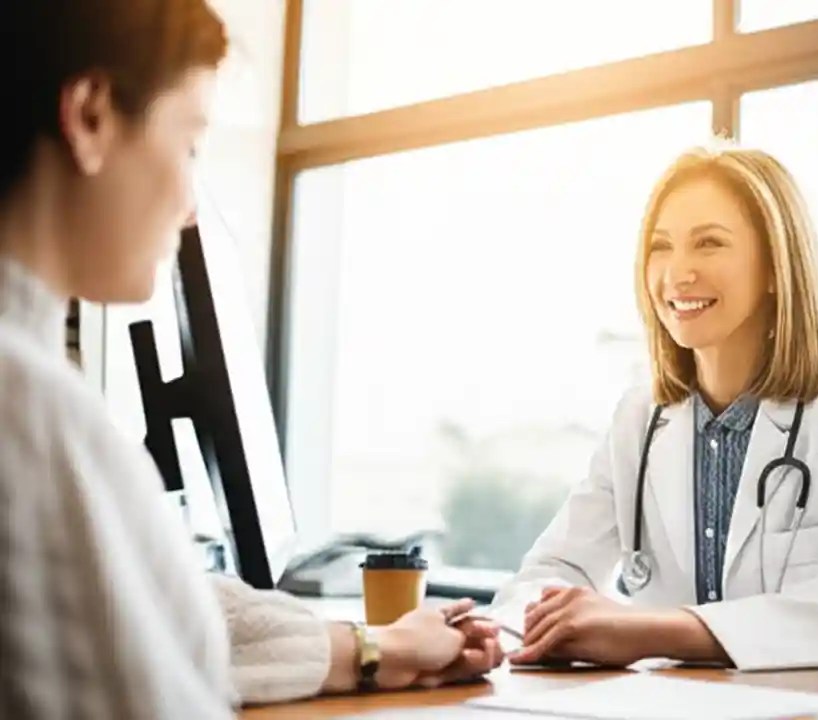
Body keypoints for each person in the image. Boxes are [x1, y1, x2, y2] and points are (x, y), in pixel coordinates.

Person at [0, 2, 499, 718]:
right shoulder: (37, 423)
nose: (190, 203)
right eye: (191, 142)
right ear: (91, 117)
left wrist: (374, 650)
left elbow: (159, 606)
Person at [490, 145, 818, 671]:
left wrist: (654, 630)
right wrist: (490, 635)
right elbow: (554, 572)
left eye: (708, 243)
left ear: (776, 265)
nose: (677, 274)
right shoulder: (639, 420)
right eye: (661, 247)